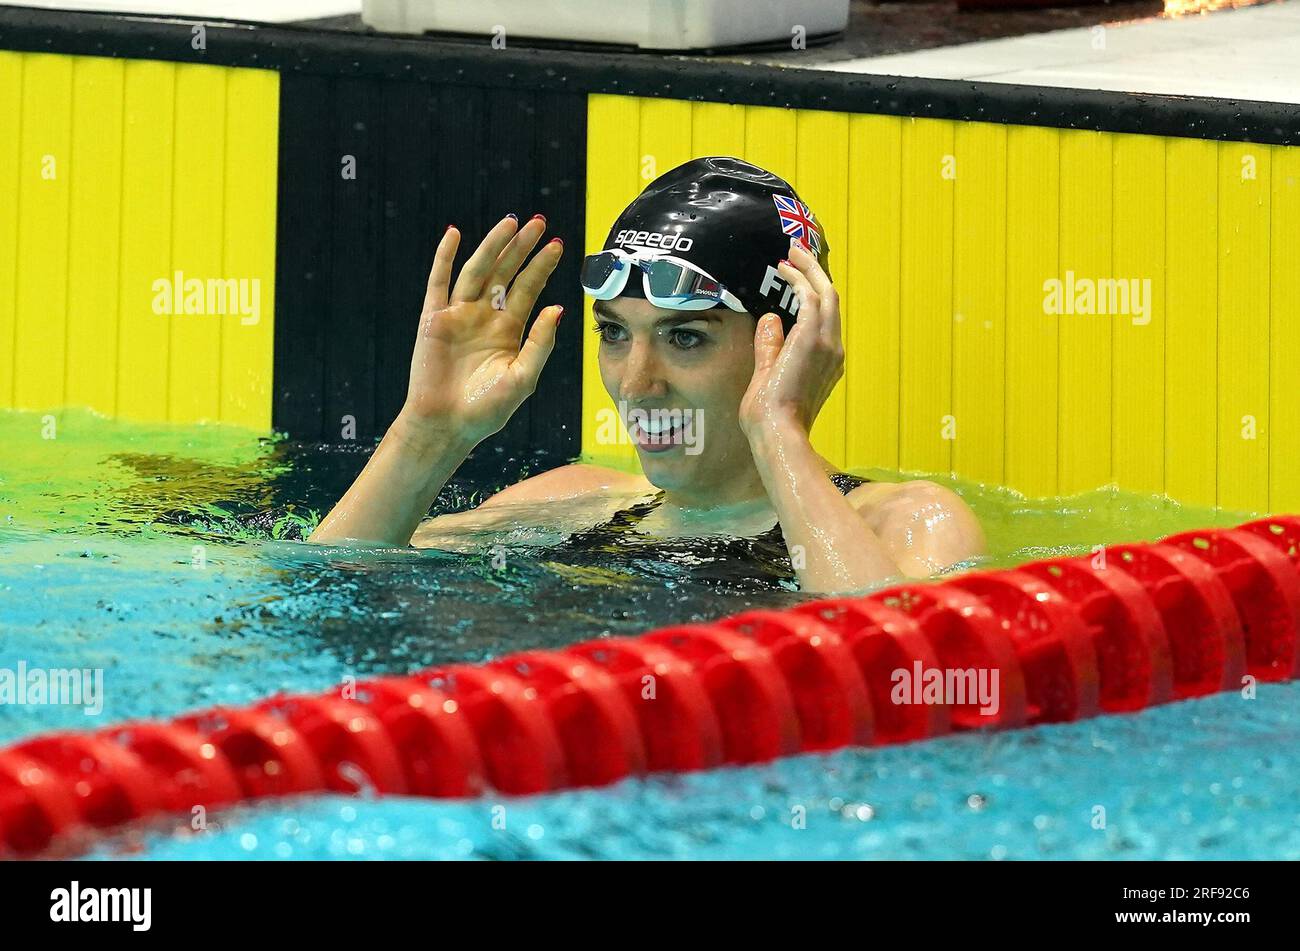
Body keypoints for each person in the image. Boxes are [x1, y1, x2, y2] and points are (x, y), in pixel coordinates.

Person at [308, 156, 986, 593]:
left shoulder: (909, 522)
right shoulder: (570, 502)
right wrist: (428, 434)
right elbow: (327, 593)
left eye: (684, 336)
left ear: (789, 340)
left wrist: (780, 432)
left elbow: (901, 672)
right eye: (614, 333)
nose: (635, 382)